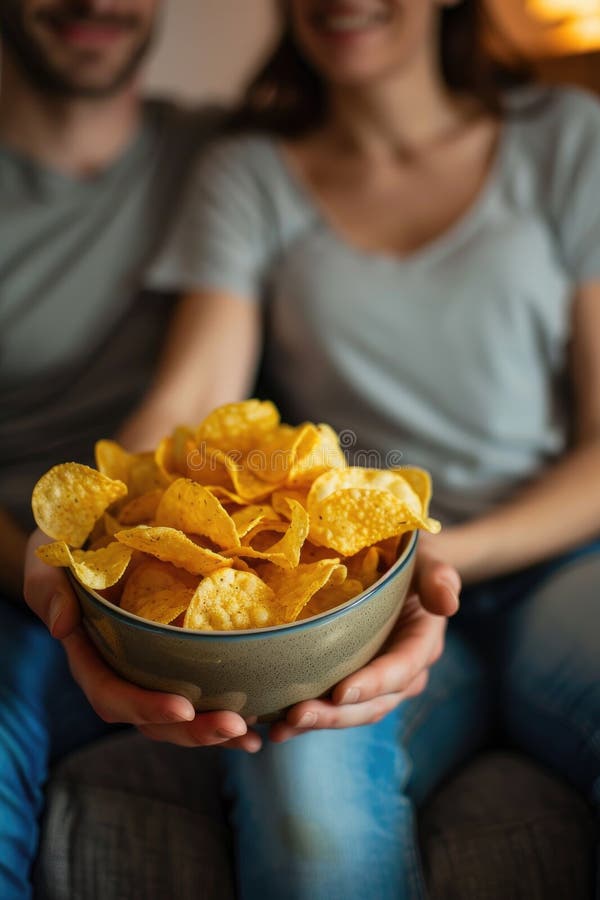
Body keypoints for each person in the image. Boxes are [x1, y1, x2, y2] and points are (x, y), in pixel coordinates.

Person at [143, 0, 600, 897]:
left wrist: (448, 552)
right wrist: (78, 547)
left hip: (564, 561)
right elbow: (187, 403)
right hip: (359, 595)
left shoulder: (568, 135)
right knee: (304, 799)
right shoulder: (248, 174)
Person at [7, 1, 458, 897]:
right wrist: (58, 559)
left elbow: (190, 398)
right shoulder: (246, 170)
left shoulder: (216, 150)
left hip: (158, 572)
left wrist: (411, 562)